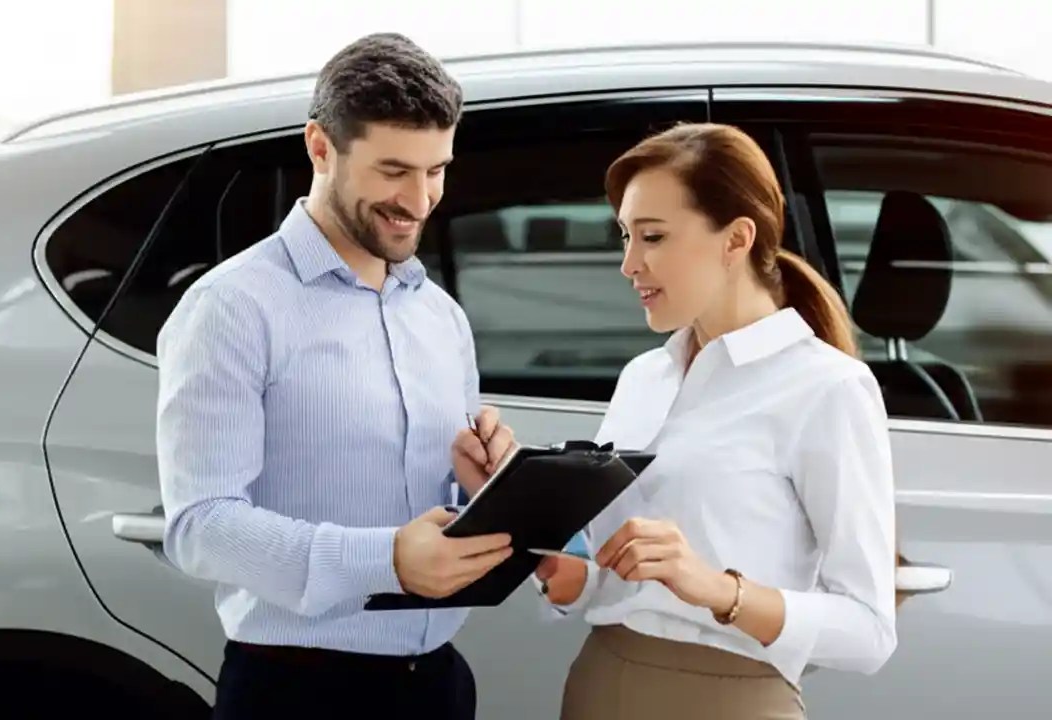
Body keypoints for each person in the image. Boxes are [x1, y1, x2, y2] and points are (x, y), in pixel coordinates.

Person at [155, 33, 514, 720]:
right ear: (320, 147)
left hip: (437, 685)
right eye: (393, 170)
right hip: (299, 695)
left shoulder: (439, 316)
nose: (420, 198)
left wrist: (489, 489)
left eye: (437, 169)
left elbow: (437, 520)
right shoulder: (231, 308)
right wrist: (387, 560)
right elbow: (199, 526)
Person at [532, 123, 899, 719]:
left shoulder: (828, 388)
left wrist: (716, 588)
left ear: (736, 239)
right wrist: (564, 570)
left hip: (729, 699)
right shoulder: (643, 377)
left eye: (652, 236)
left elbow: (869, 631)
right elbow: (605, 577)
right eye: (625, 236)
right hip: (599, 684)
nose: (629, 263)